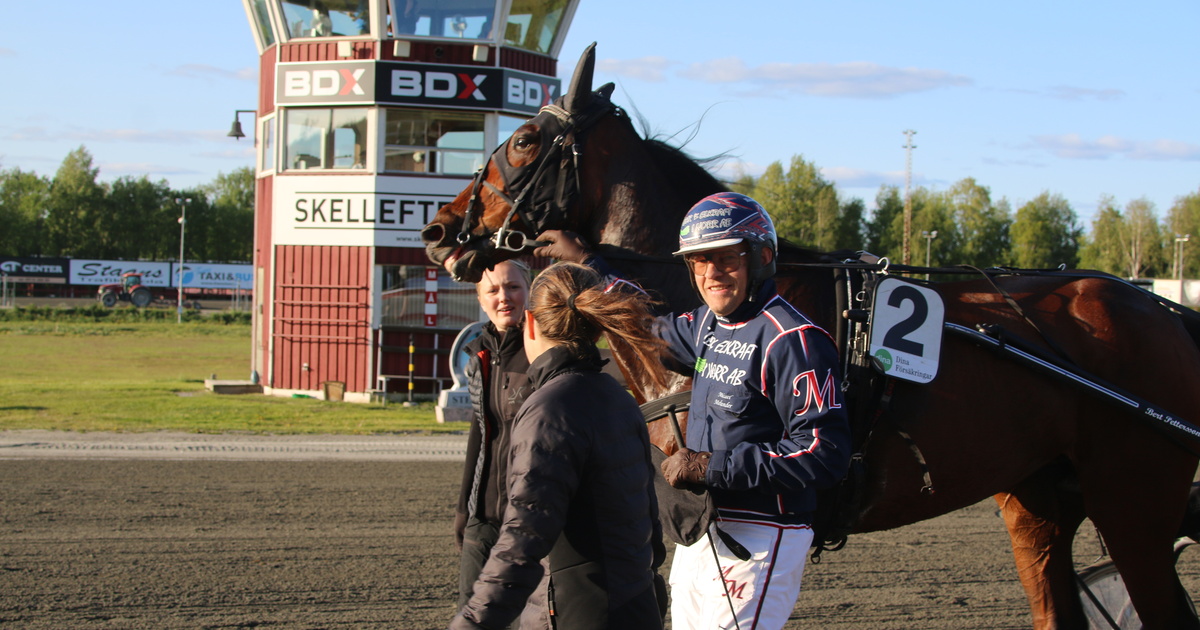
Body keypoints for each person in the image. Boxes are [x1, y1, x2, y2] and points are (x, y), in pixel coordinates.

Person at [534, 192, 853, 630]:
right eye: (699, 261)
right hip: (700, 530)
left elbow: (824, 453)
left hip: (762, 535)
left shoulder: (794, 341)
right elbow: (644, 326)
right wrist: (591, 264)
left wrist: (710, 466)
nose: (711, 273)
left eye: (725, 258)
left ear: (761, 256)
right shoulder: (706, 324)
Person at [450, 262, 669, 630]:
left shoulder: (549, 408)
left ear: (531, 323)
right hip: (634, 602)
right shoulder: (618, 397)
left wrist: (470, 624)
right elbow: (651, 526)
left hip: (576, 611)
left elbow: (522, 541)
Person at [454, 259, 533, 614]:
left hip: (531, 520)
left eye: (513, 287)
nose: (504, 297)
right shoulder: (479, 356)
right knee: (472, 614)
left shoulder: (544, 356)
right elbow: (480, 434)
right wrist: (463, 510)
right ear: (480, 299)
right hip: (483, 516)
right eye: (493, 290)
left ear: (529, 291)